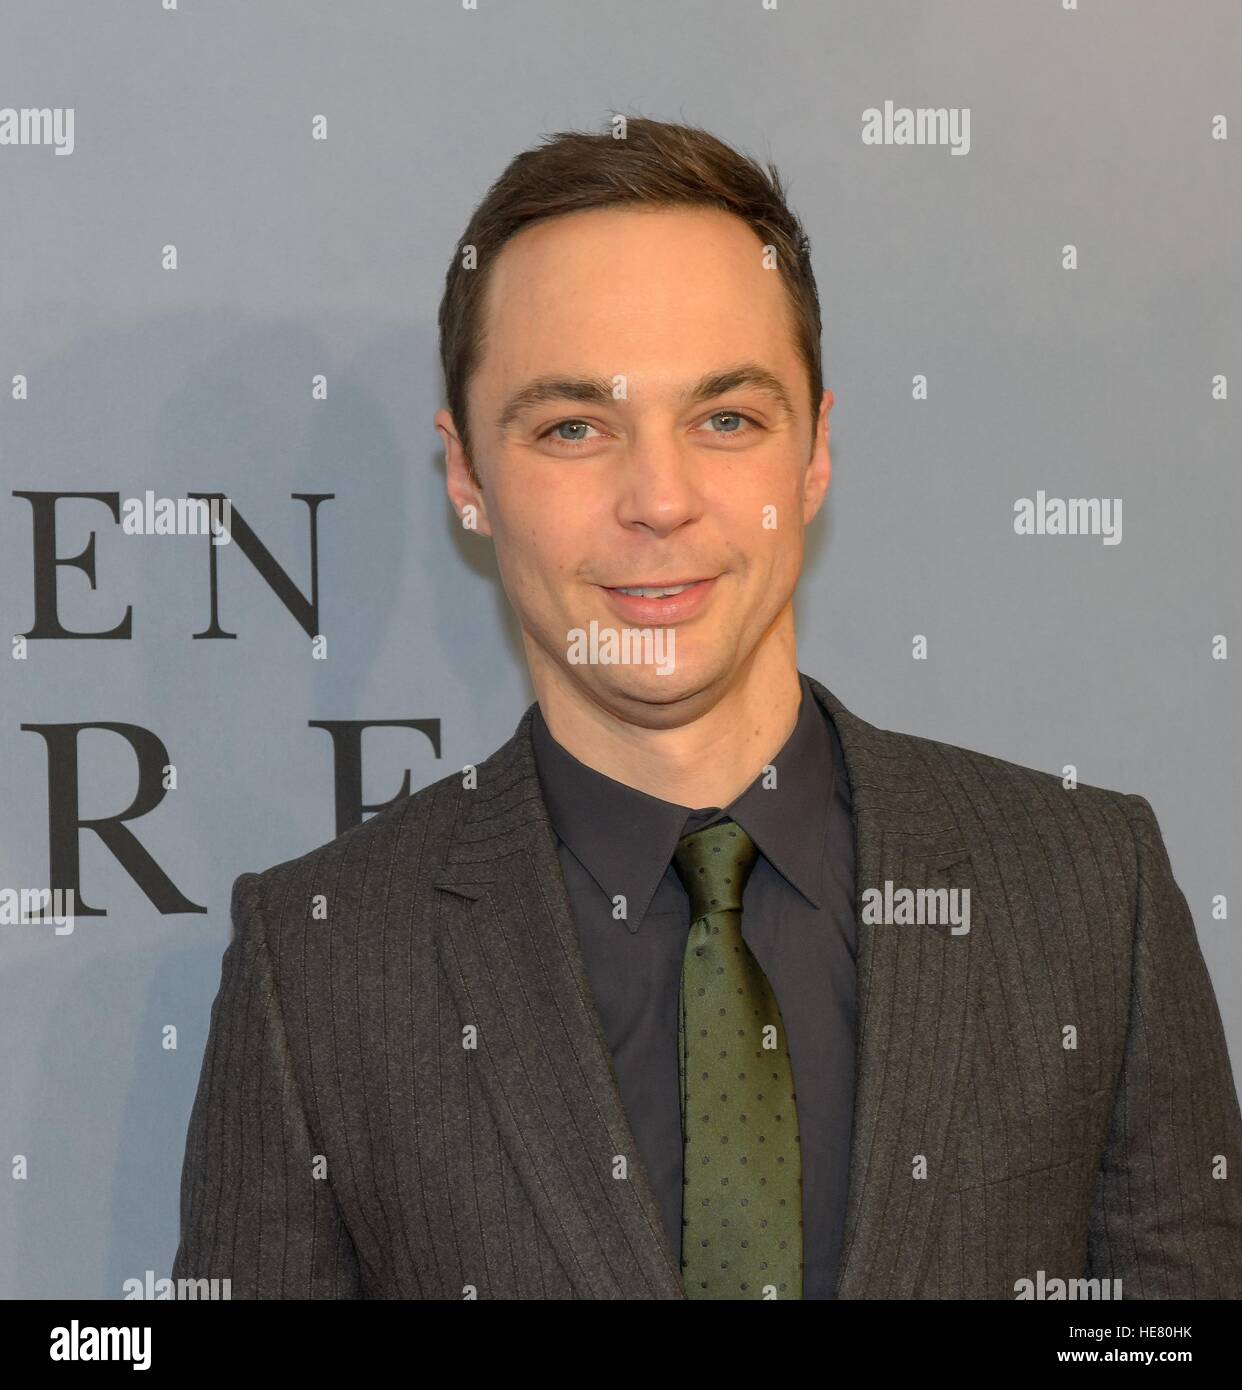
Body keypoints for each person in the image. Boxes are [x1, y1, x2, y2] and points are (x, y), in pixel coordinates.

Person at [172, 117, 1242, 1299]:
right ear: (468, 476)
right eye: (574, 427)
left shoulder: (1091, 891)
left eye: (725, 417)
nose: (660, 499)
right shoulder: (321, 963)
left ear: (815, 452)